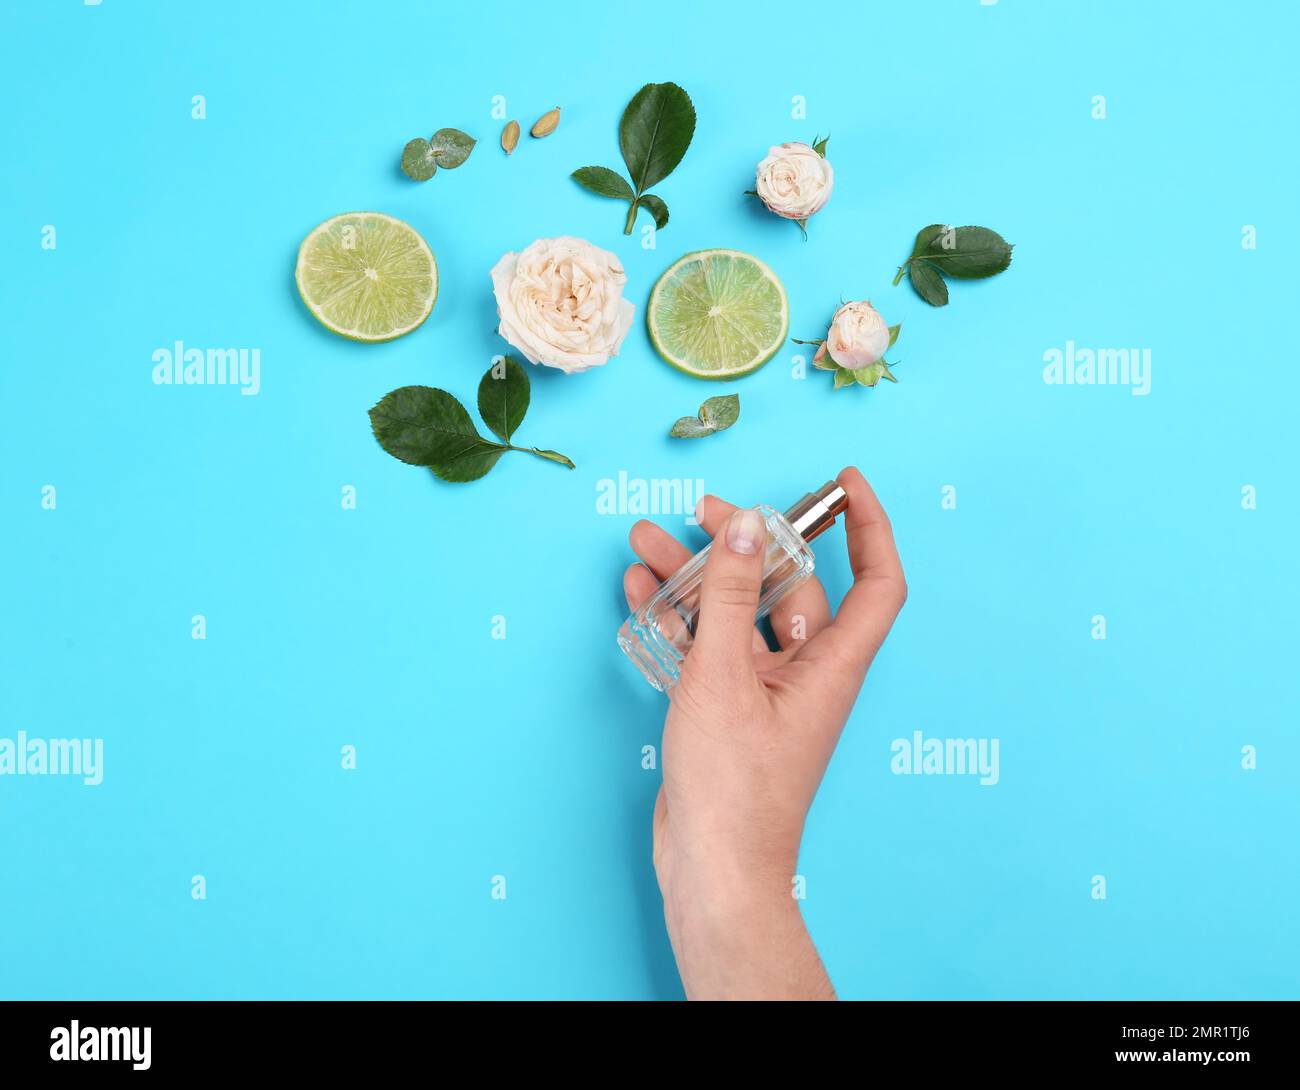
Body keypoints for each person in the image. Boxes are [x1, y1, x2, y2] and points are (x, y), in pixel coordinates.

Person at [621, 467, 906, 1000]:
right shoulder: (785, 549)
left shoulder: (786, 553)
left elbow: (732, 589)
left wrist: (716, 859)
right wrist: (717, 864)